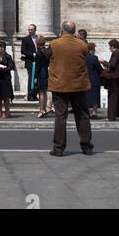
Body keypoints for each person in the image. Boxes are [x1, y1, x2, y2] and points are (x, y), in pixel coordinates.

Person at [46, 20, 93, 156]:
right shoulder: (82, 45)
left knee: (61, 117)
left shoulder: (55, 44)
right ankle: (87, 147)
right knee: (83, 116)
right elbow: (85, 55)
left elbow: (46, 56)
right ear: (74, 32)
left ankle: (59, 148)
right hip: (79, 85)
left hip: (60, 85)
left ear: (62, 31)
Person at [101, 38, 119, 121]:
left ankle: (111, 117)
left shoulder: (115, 53)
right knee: (118, 97)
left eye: (109, 46)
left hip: (115, 78)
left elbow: (112, 65)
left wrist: (103, 62)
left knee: (112, 97)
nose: (109, 48)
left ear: (113, 46)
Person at [0, 41, 16, 119]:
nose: (1, 49)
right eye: (0, 47)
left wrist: (2, 69)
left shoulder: (8, 57)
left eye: (2, 47)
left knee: (6, 96)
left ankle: (7, 112)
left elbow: (11, 67)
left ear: (5, 48)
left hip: (5, 78)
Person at [19, 24, 38, 101]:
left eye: (31, 29)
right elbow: (23, 50)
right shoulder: (25, 39)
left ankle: (35, 94)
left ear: (35, 30)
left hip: (38, 61)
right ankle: (30, 94)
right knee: (31, 78)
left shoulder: (38, 38)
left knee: (37, 78)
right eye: (29, 29)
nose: (30, 31)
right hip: (30, 61)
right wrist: (32, 54)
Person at [85, 41, 103, 117]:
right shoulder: (94, 58)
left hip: (85, 79)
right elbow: (99, 69)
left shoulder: (83, 57)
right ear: (92, 49)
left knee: (86, 96)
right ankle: (94, 112)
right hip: (94, 79)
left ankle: (86, 112)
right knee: (95, 96)